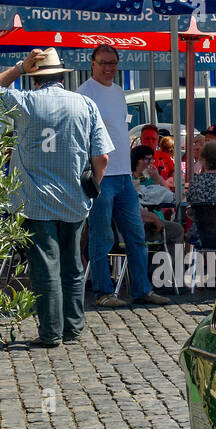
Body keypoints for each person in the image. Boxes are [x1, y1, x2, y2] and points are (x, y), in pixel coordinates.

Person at [0, 48, 110, 348]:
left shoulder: (26, 103)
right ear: (62, 75)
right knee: (72, 267)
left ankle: (50, 332)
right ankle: (73, 329)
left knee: (45, 268)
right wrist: (92, 189)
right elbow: (101, 158)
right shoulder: (85, 104)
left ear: (36, 78)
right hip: (75, 200)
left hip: (35, 201)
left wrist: (18, 69)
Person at [77, 43, 168, 309]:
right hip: (101, 175)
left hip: (123, 175)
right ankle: (104, 291)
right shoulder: (84, 93)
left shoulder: (118, 91)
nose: (109, 68)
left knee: (136, 234)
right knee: (102, 236)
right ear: (92, 64)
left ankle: (142, 289)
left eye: (113, 63)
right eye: (104, 63)